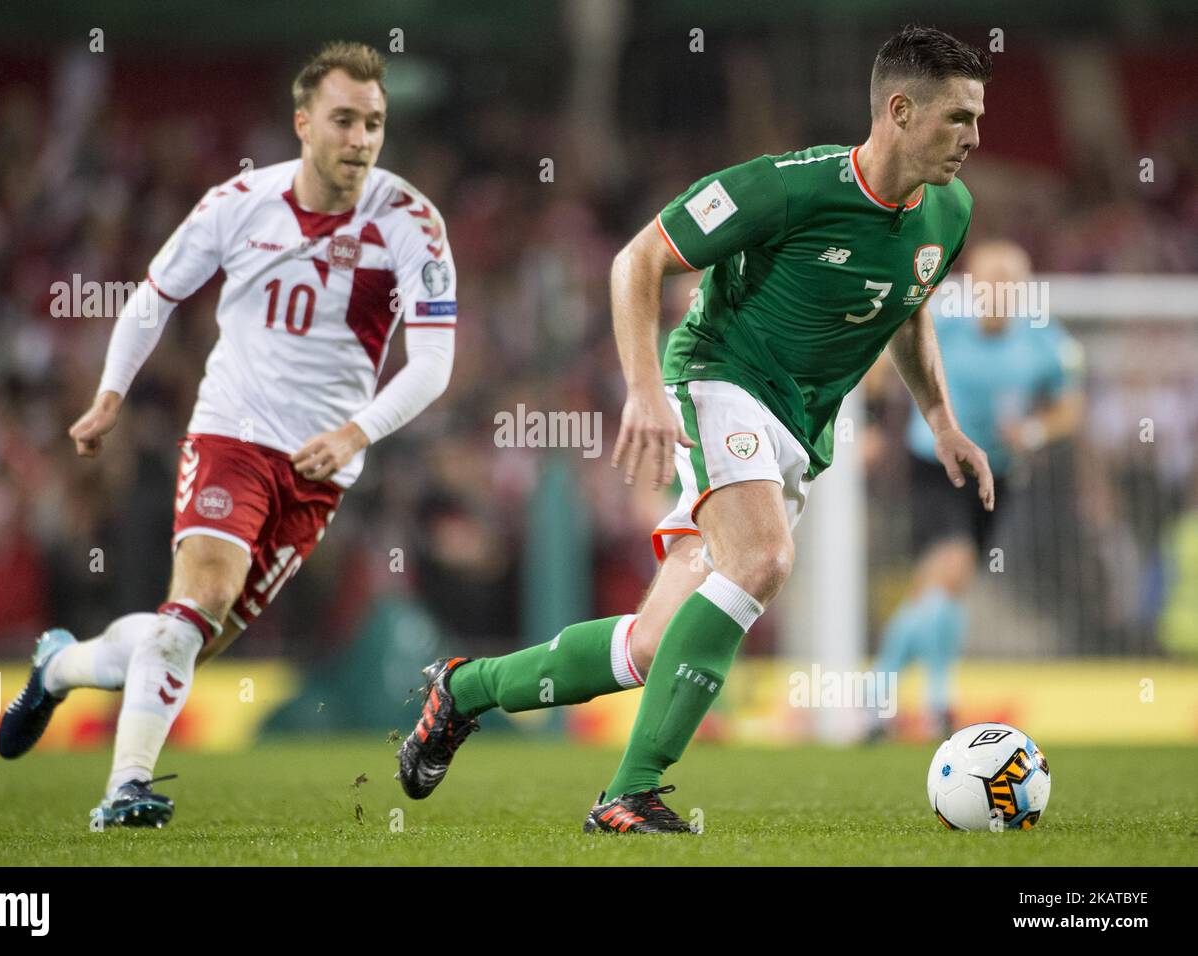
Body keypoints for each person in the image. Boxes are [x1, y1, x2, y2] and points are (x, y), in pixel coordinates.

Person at [396, 24, 994, 833]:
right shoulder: (786, 188)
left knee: (651, 647)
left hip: (798, 431)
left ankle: (460, 691)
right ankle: (628, 795)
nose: (974, 137)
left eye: (976, 118)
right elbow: (636, 260)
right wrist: (644, 390)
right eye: (958, 118)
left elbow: (908, 308)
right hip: (719, 379)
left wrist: (943, 420)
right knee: (762, 558)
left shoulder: (950, 211)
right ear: (898, 110)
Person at [0, 41, 458, 828]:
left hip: (320, 468)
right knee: (201, 596)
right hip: (231, 434)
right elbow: (155, 296)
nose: (360, 139)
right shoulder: (239, 201)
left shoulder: (411, 221)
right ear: (303, 122)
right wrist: (111, 395)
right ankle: (126, 790)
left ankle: (61, 664)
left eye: (374, 124)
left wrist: (355, 434)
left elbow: (435, 364)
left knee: (182, 642)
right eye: (344, 120)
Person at [864, 239, 1083, 741]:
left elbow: (1068, 407)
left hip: (999, 473)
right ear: (973, 282)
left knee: (941, 589)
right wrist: (874, 423)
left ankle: (878, 700)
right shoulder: (943, 318)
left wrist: (1031, 432)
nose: (1000, 290)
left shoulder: (1043, 339)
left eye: (1011, 281)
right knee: (952, 569)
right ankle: (938, 701)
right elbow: (881, 357)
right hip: (937, 463)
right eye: (991, 280)